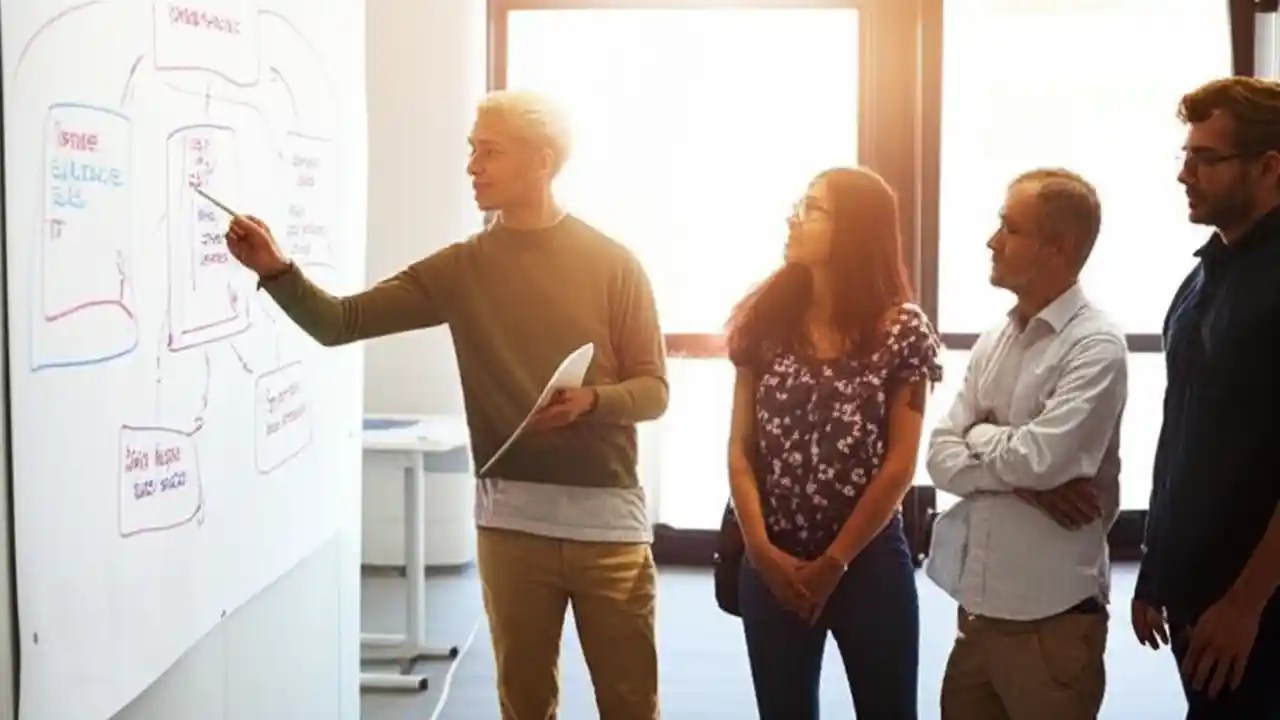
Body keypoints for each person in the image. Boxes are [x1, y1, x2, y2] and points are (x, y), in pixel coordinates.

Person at [224, 89, 669, 719]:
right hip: (512, 527)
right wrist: (275, 269)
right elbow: (339, 321)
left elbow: (654, 390)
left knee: (630, 705)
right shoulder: (464, 267)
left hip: (609, 530)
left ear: (541, 162)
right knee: (525, 707)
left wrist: (594, 399)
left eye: (490, 152)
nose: (472, 166)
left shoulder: (614, 264)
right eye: (472, 151)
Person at [724, 166, 942, 720]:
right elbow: (741, 450)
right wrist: (760, 551)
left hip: (866, 559)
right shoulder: (766, 320)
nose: (794, 216)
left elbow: (899, 465)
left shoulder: (902, 330)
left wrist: (834, 562)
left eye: (813, 207)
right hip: (770, 552)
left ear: (856, 229)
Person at [925, 168, 1128, 720]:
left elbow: (1041, 459)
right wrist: (1031, 487)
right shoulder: (996, 337)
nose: (992, 241)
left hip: (1053, 621)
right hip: (977, 615)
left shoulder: (1096, 346)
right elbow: (940, 457)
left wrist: (982, 434)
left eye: (1009, 228)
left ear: (1057, 247)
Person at [1134, 76, 1280, 719]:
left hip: (1260, 602)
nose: (1184, 174)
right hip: (1196, 587)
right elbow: (1182, 426)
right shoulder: (1205, 274)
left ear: (1269, 166)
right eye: (1184, 156)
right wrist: (1155, 565)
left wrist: (1247, 602)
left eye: (1205, 158)